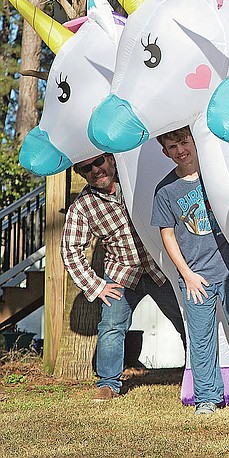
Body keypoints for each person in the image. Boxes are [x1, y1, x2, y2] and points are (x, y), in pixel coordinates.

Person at [61, 152, 185, 401]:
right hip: (121, 272)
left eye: (98, 162)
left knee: (187, 319)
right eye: (86, 169)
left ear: (111, 159)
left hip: (159, 266)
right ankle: (108, 383)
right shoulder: (82, 207)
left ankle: (199, 372)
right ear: (81, 174)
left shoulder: (139, 183)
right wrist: (96, 286)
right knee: (111, 326)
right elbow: (70, 249)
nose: (95, 170)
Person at [151, 126, 229, 415]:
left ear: (194, 140)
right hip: (196, 278)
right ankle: (207, 398)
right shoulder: (165, 190)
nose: (180, 150)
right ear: (165, 152)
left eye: (183, 142)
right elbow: (168, 235)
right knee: (201, 339)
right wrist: (186, 274)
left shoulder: (217, 174)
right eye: (172, 147)